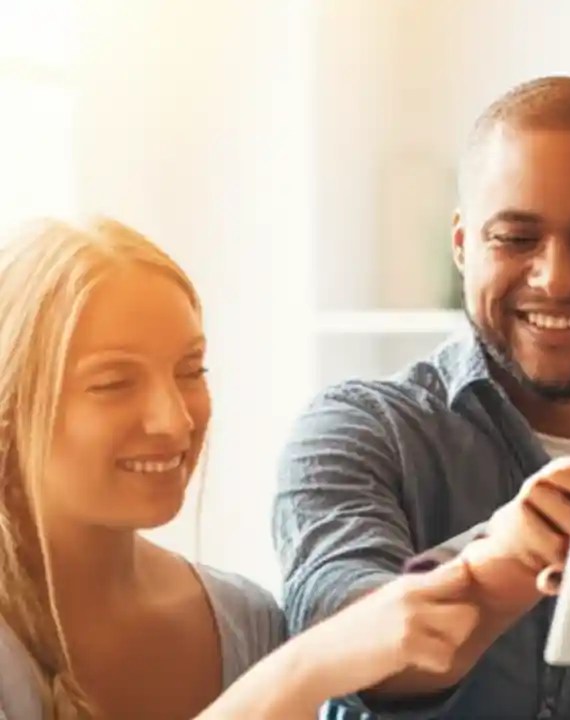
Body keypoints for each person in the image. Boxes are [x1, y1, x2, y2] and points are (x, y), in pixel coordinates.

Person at [273, 75, 570, 719]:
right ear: (462, 244)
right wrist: (497, 565)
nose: (556, 278)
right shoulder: (359, 433)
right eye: (515, 237)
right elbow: (340, 640)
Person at [0, 217, 482, 720]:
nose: (175, 420)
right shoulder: (287, 663)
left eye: (191, 371)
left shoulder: (244, 619)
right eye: (114, 382)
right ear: (10, 406)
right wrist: (302, 671)